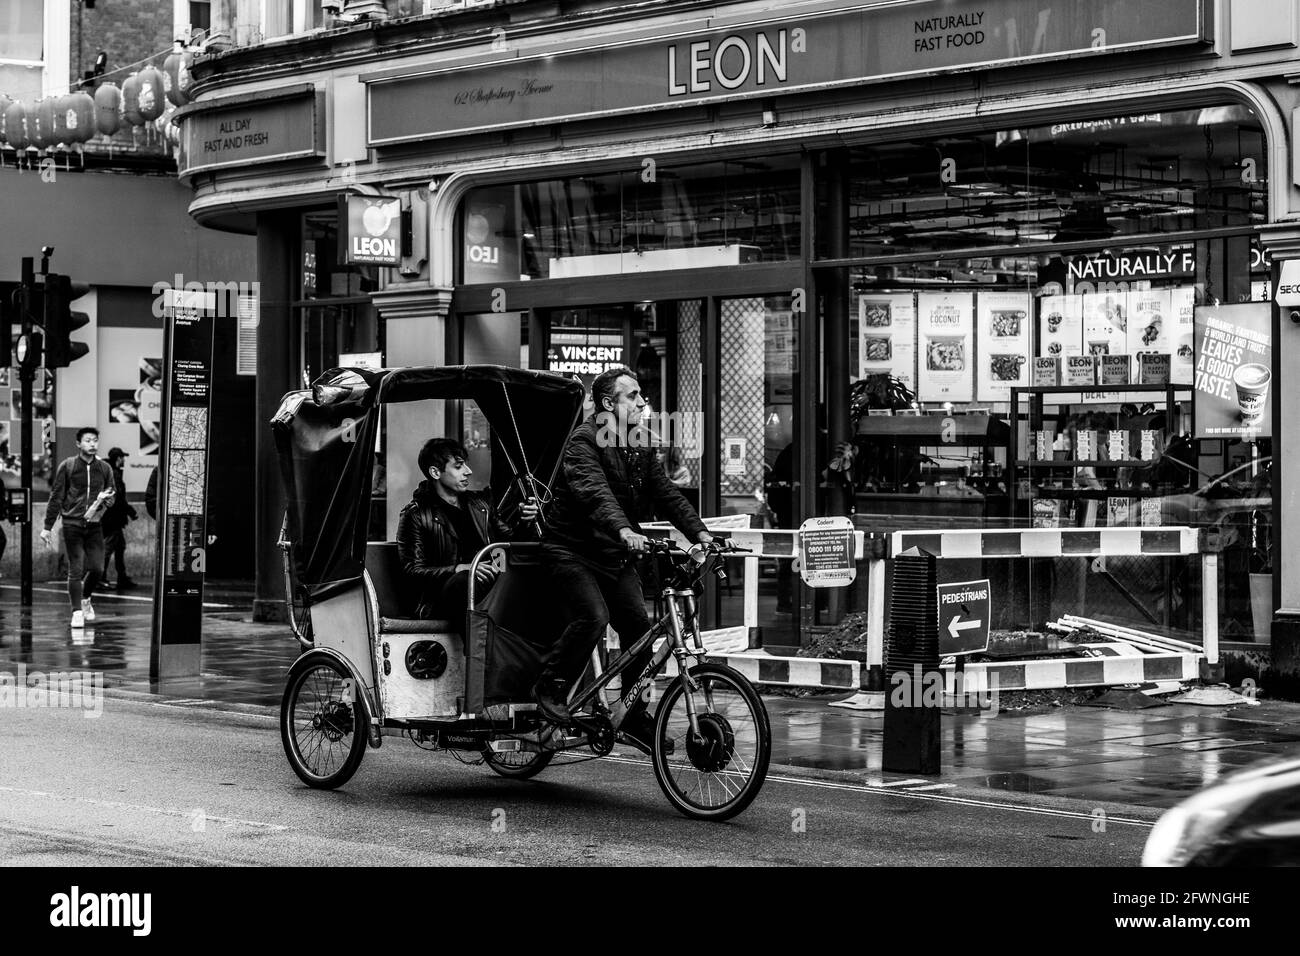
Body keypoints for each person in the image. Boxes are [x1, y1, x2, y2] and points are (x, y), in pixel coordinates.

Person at [536, 366, 713, 751]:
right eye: (632, 396)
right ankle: (551, 687)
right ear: (606, 403)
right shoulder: (583, 441)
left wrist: (701, 533)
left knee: (639, 631)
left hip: (614, 554)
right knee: (594, 617)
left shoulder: (639, 443)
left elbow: (667, 494)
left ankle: (633, 715)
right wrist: (625, 530)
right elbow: (595, 493)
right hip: (571, 550)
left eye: (640, 397)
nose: (641, 403)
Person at [395, 438, 539, 624]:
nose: (468, 472)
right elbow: (413, 571)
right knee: (464, 581)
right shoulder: (415, 514)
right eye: (458, 466)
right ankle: (477, 651)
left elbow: (509, 543)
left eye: (466, 465)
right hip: (443, 597)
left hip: (490, 588)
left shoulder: (480, 504)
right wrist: (460, 569)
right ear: (435, 472)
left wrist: (525, 521)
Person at [41, 426, 115, 629]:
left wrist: (104, 503)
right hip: (72, 524)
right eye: (88, 441)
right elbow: (56, 496)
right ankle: (76, 612)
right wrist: (48, 527)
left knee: (98, 568)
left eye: (95, 441)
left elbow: (112, 493)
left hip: (94, 525)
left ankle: (86, 598)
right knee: (76, 568)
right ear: (78, 444)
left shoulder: (105, 468)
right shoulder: (68, 466)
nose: (92, 444)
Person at [100, 447, 138, 589]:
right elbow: (119, 497)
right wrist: (130, 511)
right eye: (123, 457)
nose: (124, 460)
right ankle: (98, 578)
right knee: (108, 549)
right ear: (118, 458)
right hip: (113, 519)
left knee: (120, 547)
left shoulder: (111, 473)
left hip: (113, 518)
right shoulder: (114, 474)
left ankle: (122, 578)